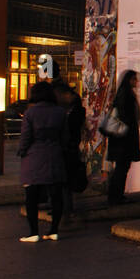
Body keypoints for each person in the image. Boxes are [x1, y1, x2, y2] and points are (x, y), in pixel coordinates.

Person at [17, 81, 68, 243]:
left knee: (31, 197)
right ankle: (54, 230)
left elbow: (26, 137)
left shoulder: (30, 113)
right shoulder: (60, 112)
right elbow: (65, 137)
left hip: (34, 157)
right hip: (54, 155)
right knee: (56, 195)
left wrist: (22, 151)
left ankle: (33, 232)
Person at [102, 71, 140, 205]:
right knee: (122, 168)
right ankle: (116, 196)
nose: (137, 82)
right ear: (129, 80)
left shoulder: (122, 94)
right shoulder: (127, 96)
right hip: (124, 139)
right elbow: (126, 118)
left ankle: (116, 195)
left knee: (121, 168)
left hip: (120, 139)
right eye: (135, 79)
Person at [53, 78, 87, 212]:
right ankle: (63, 208)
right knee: (62, 181)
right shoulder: (59, 110)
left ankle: (65, 208)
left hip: (69, 147)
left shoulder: (74, 109)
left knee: (65, 181)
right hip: (65, 148)